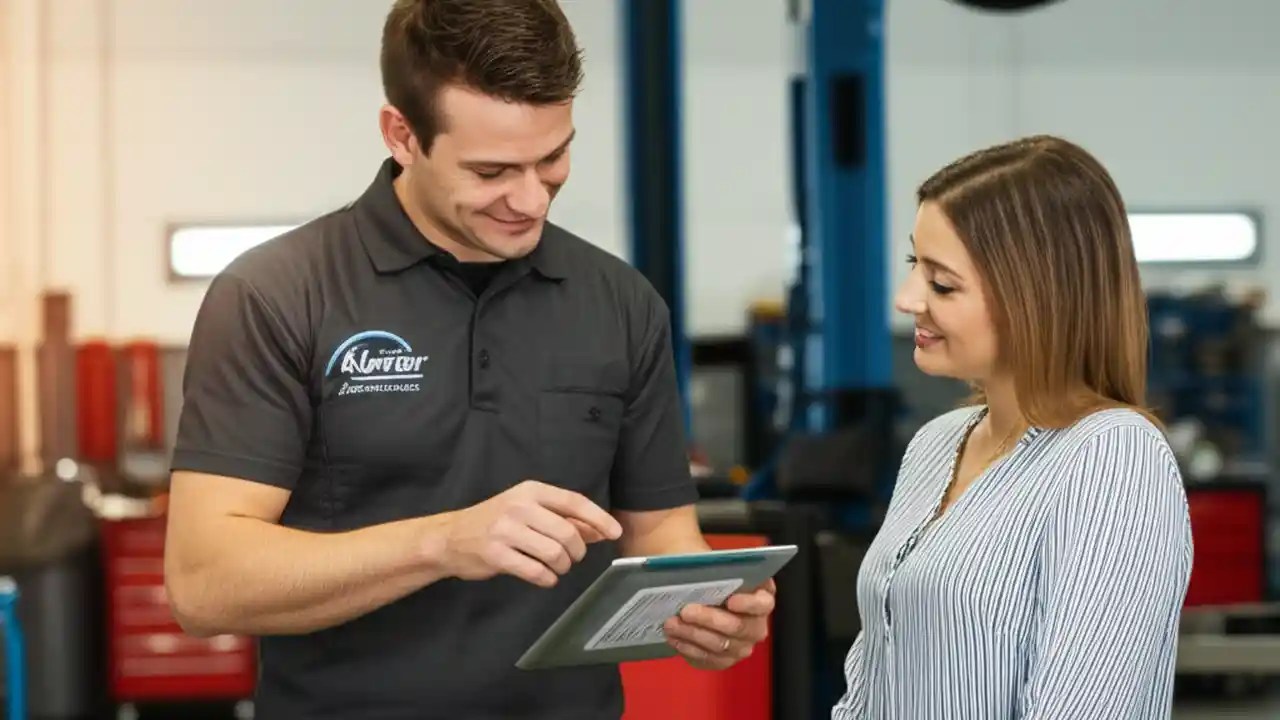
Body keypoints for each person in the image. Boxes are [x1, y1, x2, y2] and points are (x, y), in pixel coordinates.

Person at [162, 1, 775, 718]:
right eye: (491, 170)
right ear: (402, 135)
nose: (530, 199)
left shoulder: (621, 303)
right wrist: (444, 542)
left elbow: (660, 534)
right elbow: (203, 585)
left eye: (553, 159)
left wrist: (705, 611)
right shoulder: (278, 295)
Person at [831, 135, 1194, 719]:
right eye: (914, 266)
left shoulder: (1113, 458)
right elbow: (872, 687)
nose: (906, 299)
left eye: (942, 283)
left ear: (1036, 296)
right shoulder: (935, 445)